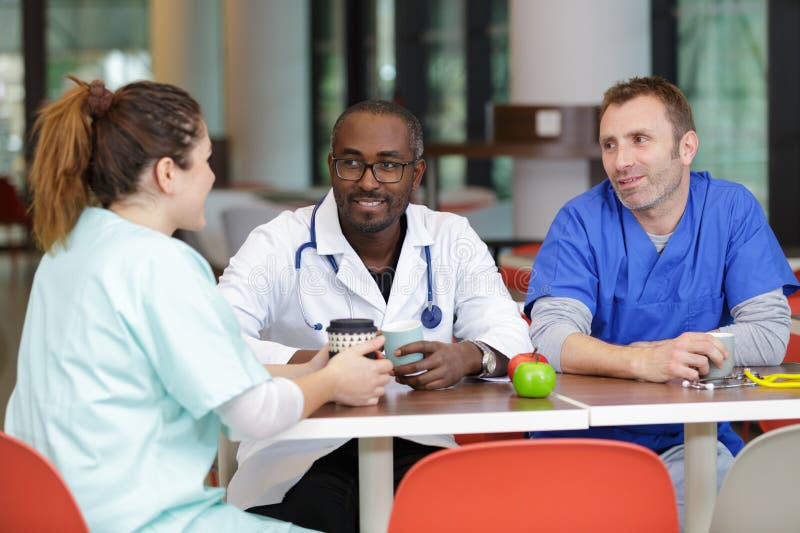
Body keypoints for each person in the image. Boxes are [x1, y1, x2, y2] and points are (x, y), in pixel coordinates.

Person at [4, 77, 394, 533]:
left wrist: (312, 371)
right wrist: (331, 384)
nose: (211, 176)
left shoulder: (67, 250)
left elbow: (197, 373)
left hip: (51, 513)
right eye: (206, 161)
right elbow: (253, 414)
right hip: (142, 521)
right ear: (168, 174)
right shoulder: (161, 263)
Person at [217, 99, 532, 532]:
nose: (368, 182)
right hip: (298, 450)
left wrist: (467, 357)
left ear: (416, 174)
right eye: (352, 164)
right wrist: (316, 368)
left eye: (388, 166)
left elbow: (511, 332)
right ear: (331, 167)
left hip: (418, 443)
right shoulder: (278, 243)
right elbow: (215, 339)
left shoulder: (449, 238)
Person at [525, 76, 799, 526]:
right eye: (609, 145)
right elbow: (553, 337)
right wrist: (644, 361)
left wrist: (677, 354)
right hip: (583, 437)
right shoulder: (580, 220)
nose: (621, 161)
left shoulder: (731, 211)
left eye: (640, 140)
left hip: (691, 437)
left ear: (686, 147)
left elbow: (769, 334)